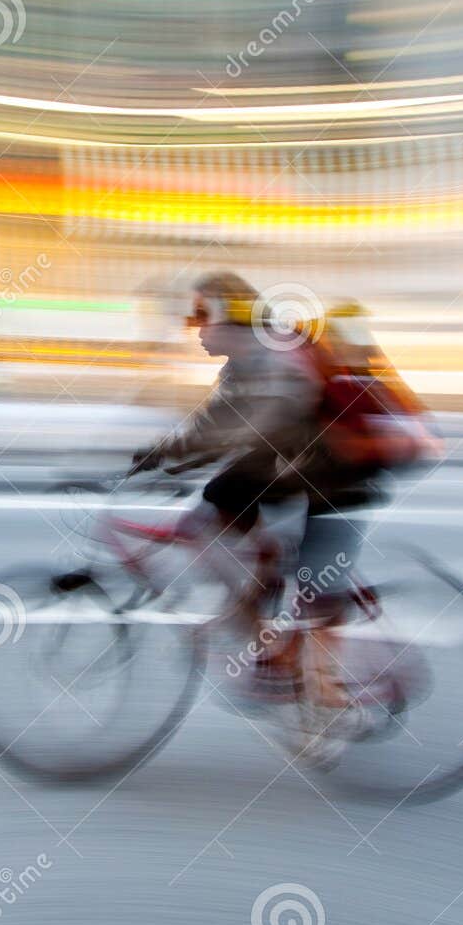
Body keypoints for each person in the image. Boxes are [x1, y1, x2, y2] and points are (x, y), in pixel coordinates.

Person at [130, 271, 392, 706]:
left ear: (229, 314)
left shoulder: (276, 350)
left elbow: (269, 418)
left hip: (328, 474)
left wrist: (193, 454)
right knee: (225, 520)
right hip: (285, 470)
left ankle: (316, 682)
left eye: (200, 315)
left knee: (219, 508)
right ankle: (267, 625)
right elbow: (217, 423)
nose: (193, 327)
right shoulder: (241, 367)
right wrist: (164, 455)